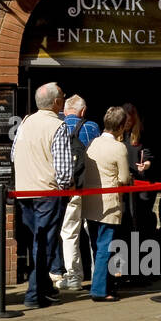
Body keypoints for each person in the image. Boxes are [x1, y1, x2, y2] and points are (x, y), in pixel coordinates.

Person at [11, 83, 73, 309]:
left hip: (24, 190)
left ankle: (44, 288)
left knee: (36, 242)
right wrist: (67, 187)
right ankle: (33, 294)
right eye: (63, 98)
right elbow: (64, 170)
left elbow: (13, 154)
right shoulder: (58, 126)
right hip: (48, 192)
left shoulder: (25, 123)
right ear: (56, 103)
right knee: (44, 244)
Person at [83, 106, 131, 302]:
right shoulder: (119, 148)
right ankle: (100, 290)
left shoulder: (93, 143)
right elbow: (124, 178)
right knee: (106, 247)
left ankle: (106, 285)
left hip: (90, 202)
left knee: (97, 246)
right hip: (109, 203)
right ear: (120, 126)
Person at [56, 94, 100, 292]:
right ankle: (97, 273)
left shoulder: (57, 126)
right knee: (93, 231)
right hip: (90, 186)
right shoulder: (92, 127)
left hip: (69, 188)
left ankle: (74, 276)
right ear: (83, 111)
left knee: (69, 233)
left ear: (65, 111)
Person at [121, 103, 157, 273]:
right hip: (125, 185)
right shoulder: (118, 136)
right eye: (124, 120)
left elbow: (149, 156)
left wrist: (146, 165)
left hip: (141, 184)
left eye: (129, 120)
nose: (127, 123)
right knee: (127, 220)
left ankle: (144, 261)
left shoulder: (140, 135)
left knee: (143, 220)